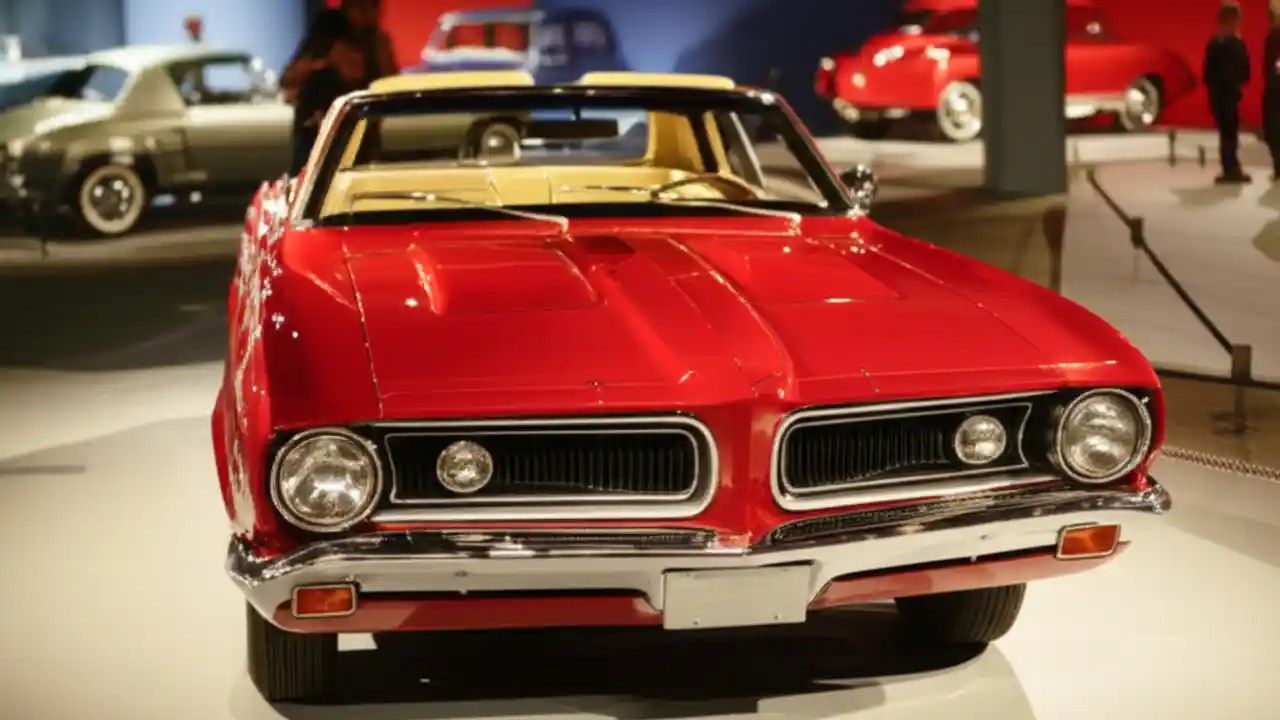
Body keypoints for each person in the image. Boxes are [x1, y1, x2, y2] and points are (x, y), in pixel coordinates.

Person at [282, 0, 398, 174]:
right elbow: (288, 78)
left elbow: (390, 85)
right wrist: (325, 62)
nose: (369, 15)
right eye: (361, 9)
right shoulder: (324, 37)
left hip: (362, 136)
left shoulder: (377, 42)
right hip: (317, 133)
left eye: (374, 8)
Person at [1204, 2, 1251, 184]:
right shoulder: (1234, 44)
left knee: (1226, 133)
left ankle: (1229, 167)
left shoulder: (1214, 43)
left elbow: (1207, 74)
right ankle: (1231, 169)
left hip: (1217, 96)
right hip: (1228, 96)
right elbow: (1244, 71)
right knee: (1230, 133)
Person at [1265, 2, 1280, 180]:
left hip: (1274, 88)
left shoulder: (1274, 37)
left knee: (1274, 128)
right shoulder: (1272, 37)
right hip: (1274, 88)